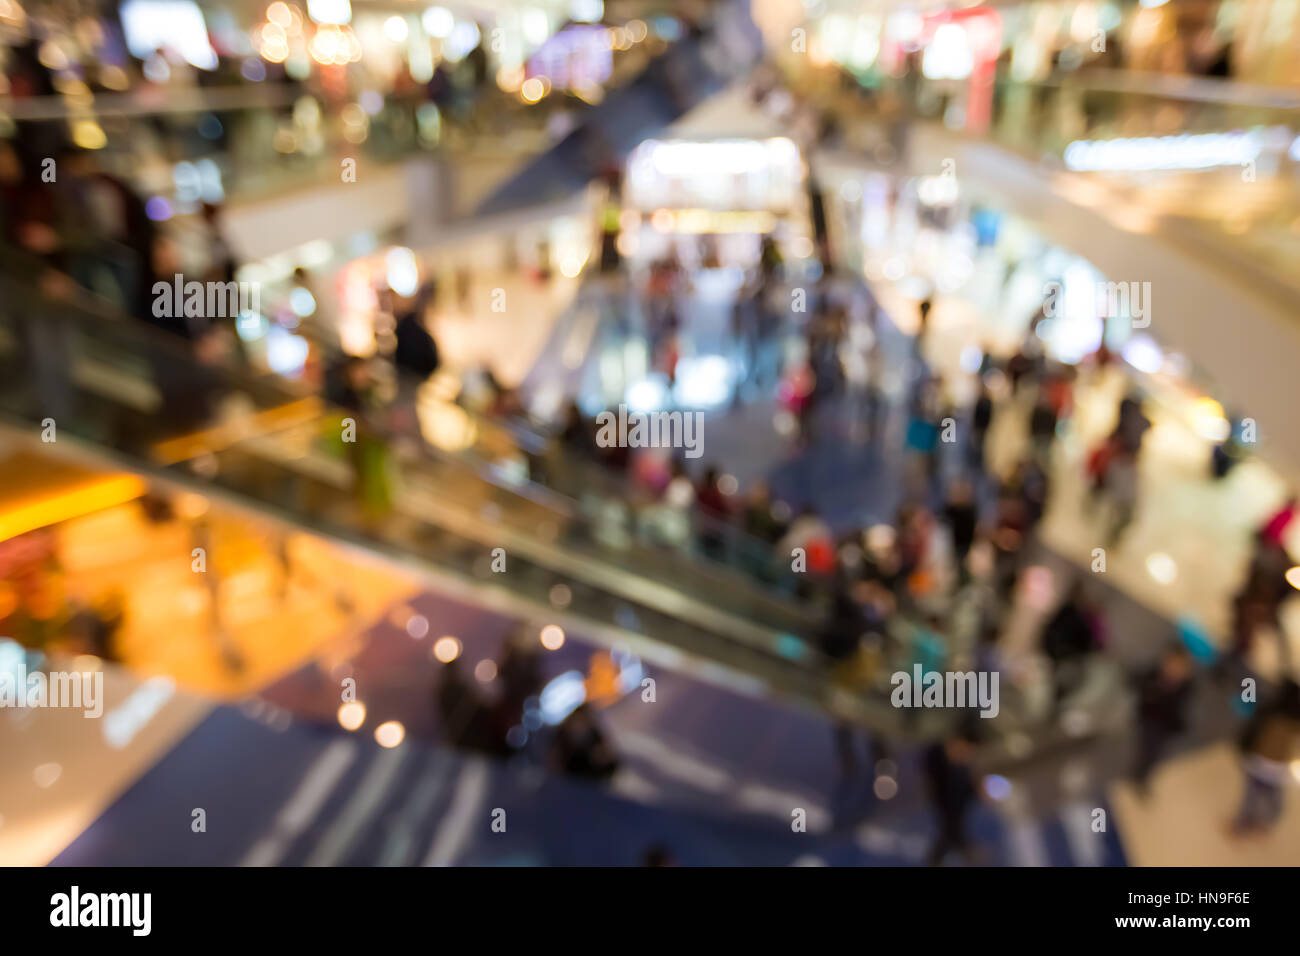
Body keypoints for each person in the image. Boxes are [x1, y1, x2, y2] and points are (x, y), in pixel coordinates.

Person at [1230, 681, 1300, 836]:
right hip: (1275, 768)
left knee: (1252, 796)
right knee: (1273, 800)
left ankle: (1243, 823)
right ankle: (1261, 823)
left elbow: (1252, 731)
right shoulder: (1294, 723)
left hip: (1258, 763)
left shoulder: (1269, 713)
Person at [1131, 644, 1195, 795]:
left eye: (1180, 666)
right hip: (1148, 720)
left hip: (1165, 727)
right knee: (1145, 748)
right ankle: (1139, 770)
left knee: (1156, 753)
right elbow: (1136, 680)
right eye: (1171, 663)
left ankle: (1144, 775)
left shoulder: (1186, 686)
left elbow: (1181, 708)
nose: (1174, 669)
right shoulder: (1154, 675)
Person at [923, 735, 978, 865]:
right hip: (946, 794)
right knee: (950, 822)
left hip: (955, 795)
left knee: (953, 822)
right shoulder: (936, 757)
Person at [551, 703, 619, 780]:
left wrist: (602, 758)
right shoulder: (561, 740)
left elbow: (611, 762)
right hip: (569, 782)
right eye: (578, 719)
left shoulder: (596, 736)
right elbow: (555, 767)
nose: (580, 724)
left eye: (583, 719)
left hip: (592, 782)